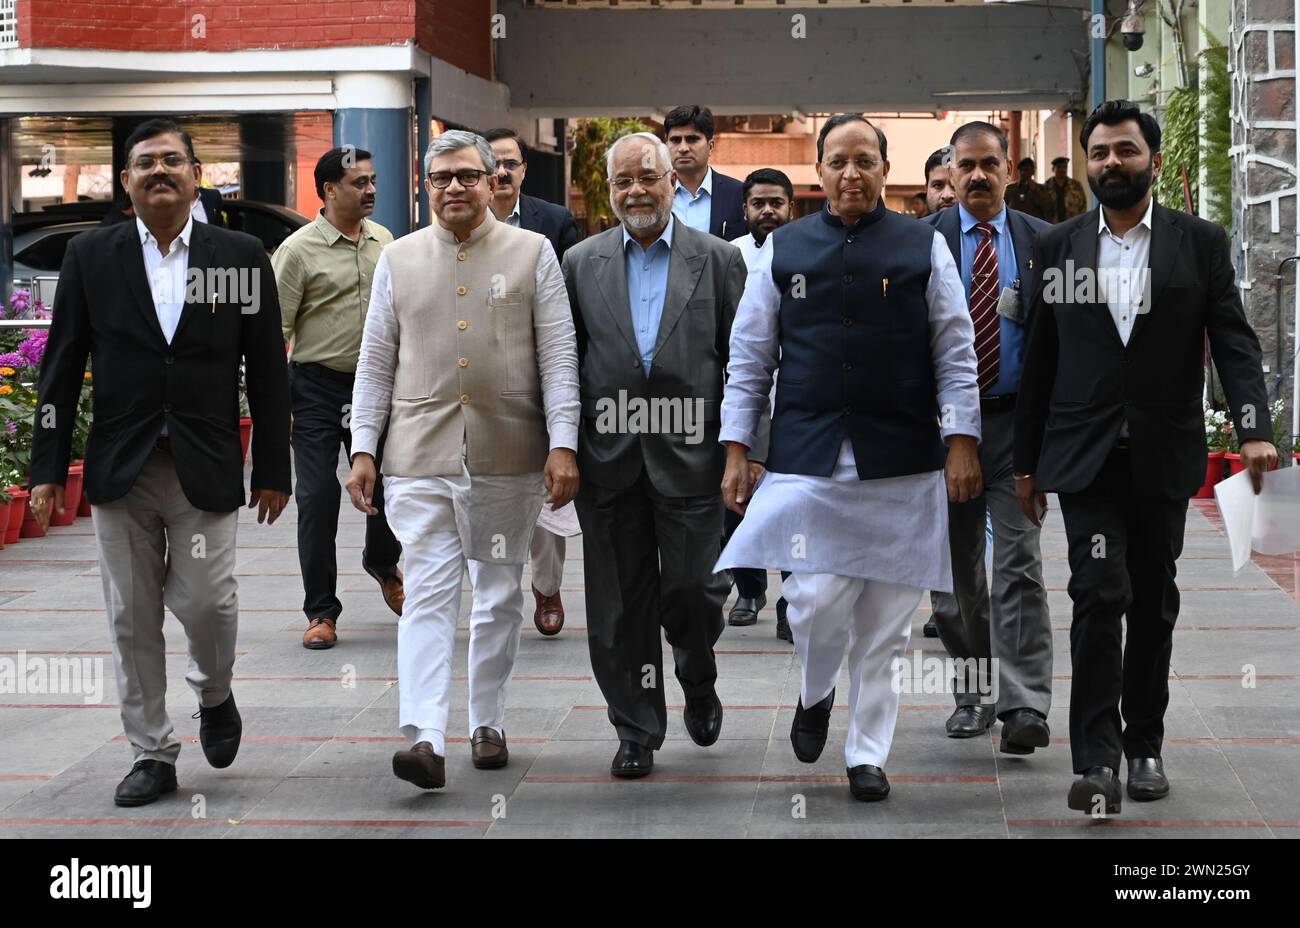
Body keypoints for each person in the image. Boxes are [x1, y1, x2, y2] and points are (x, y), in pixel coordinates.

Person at [1015, 100, 1277, 815]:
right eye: (1098, 153)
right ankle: (1096, 760)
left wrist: (1251, 424)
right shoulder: (1058, 248)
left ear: (1154, 162)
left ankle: (1144, 746)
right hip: (1085, 456)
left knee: (1153, 601)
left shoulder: (1199, 243)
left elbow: (1233, 339)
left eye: (1125, 151)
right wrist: (1026, 463)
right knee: (1100, 593)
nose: (1111, 164)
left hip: (1162, 451)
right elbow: (1039, 358)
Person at [28, 117, 291, 807]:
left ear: (196, 173)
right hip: (123, 465)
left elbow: (266, 369)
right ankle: (151, 752)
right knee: (132, 616)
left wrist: (273, 468)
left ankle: (215, 690)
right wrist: (47, 468)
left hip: (204, 462)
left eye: (173, 160)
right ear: (126, 182)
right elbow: (60, 368)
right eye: (145, 163)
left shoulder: (239, 255)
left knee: (209, 602)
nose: (160, 172)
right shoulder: (93, 256)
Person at [717, 114, 981, 802]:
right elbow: (749, 358)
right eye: (838, 161)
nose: (852, 173)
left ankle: (868, 753)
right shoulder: (787, 248)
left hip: (903, 461)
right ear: (820, 169)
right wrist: (736, 451)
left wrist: (961, 442)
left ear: (884, 168)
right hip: (808, 458)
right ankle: (815, 691)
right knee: (813, 601)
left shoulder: (923, 246)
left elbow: (955, 352)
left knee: (887, 625)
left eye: (865, 160)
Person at [346, 130, 579, 789]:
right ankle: (424, 735)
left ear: (493, 180)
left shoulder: (533, 253)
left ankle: (488, 721)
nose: (455, 187)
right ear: (426, 185)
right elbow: (375, 365)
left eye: (468, 176)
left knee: (500, 594)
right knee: (426, 592)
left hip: (510, 454)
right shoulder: (399, 259)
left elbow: (559, 360)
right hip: (418, 454)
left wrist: (563, 444)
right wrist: (364, 448)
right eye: (442, 177)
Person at [562, 131, 764, 778]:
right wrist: (561, 446)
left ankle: (698, 677)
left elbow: (748, 361)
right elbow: (564, 362)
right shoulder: (580, 262)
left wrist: (746, 450)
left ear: (672, 181)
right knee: (618, 609)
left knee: (695, 593)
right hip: (608, 458)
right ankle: (636, 728)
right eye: (623, 182)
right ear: (610, 191)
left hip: (694, 458)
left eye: (647, 178)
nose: (637, 191)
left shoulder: (718, 260)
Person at [924, 122, 1053, 751]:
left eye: (989, 165)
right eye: (965, 166)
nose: (977, 176)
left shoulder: (1046, 245)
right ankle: (972, 694)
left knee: (1019, 567)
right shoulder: (922, 245)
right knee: (953, 577)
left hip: (1016, 430)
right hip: (941, 433)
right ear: (948, 172)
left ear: (1010, 168)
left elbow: (1063, 347)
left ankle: (1024, 703)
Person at [274, 147, 404, 649]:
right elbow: (275, 330)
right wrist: (274, 403)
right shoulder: (298, 251)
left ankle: (382, 562)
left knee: (389, 484)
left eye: (373, 181)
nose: (370, 190)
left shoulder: (385, 243)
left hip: (375, 385)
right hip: (314, 388)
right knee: (317, 496)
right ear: (329, 190)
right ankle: (321, 612)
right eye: (358, 183)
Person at [484, 127, 583, 636]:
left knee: (549, 489)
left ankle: (547, 585)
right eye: (493, 163)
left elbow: (570, 305)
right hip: (477, 383)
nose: (502, 173)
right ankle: (497, 590)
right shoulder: (457, 222)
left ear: (523, 170)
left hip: (538, 374)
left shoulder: (555, 223)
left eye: (511, 163)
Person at [729, 168, 795, 640]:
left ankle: (793, 603)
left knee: (792, 504)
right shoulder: (730, 257)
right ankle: (749, 591)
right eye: (758, 203)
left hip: (794, 397)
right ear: (745, 209)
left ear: (791, 207)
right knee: (741, 499)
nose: (768, 211)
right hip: (746, 392)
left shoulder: (804, 253)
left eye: (776, 202)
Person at [664, 105, 746, 240]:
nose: (683, 148)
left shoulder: (738, 194)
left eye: (692, 139)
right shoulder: (655, 193)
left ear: (711, 146)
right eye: (675, 140)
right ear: (666, 144)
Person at [1004, 157, 1054, 221]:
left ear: (1033, 171)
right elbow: (1004, 208)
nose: (1023, 173)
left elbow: (1048, 208)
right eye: (1021, 170)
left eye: (1026, 170)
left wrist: (1035, 191)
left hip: (1034, 224)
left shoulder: (1041, 189)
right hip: (1015, 223)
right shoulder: (1011, 189)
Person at [1048, 155, 1089, 223]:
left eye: (1064, 167)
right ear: (1053, 169)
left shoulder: (1076, 186)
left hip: (1072, 225)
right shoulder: (1046, 187)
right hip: (1052, 226)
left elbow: (1083, 205)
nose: (1062, 170)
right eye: (1059, 167)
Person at [924, 146, 958, 216]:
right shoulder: (913, 227)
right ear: (926, 189)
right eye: (937, 185)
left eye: (955, 185)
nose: (947, 195)